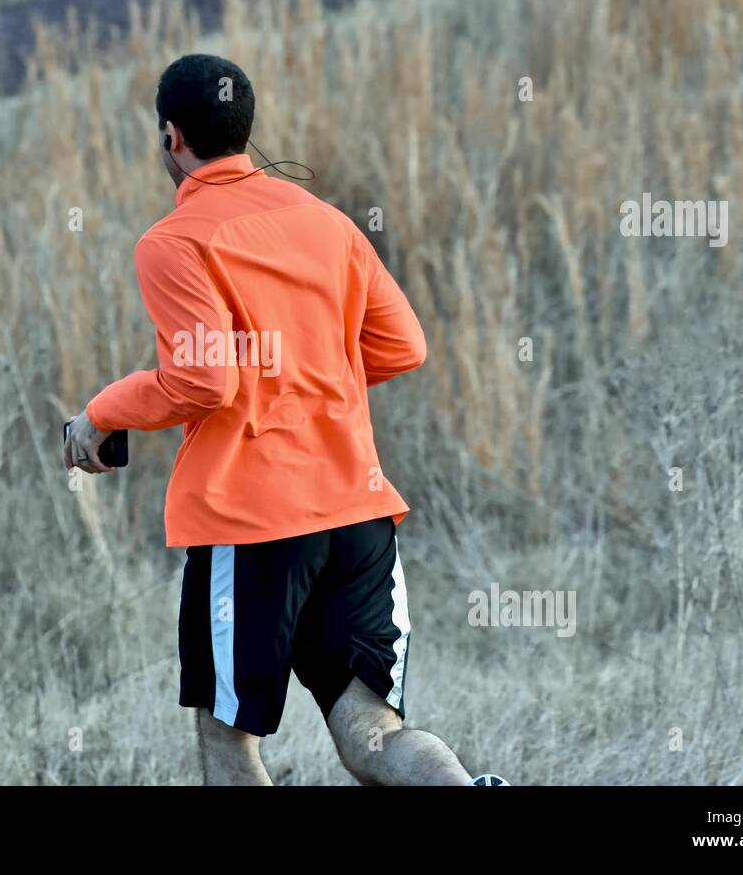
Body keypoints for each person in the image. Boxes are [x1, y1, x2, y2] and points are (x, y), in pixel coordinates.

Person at [64, 53, 506, 786]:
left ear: (171, 137)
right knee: (373, 736)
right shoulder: (326, 223)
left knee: (229, 739)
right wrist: (306, 382)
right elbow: (406, 345)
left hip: (254, 524)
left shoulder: (172, 242)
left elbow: (203, 378)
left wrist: (101, 412)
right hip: (359, 516)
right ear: (245, 128)